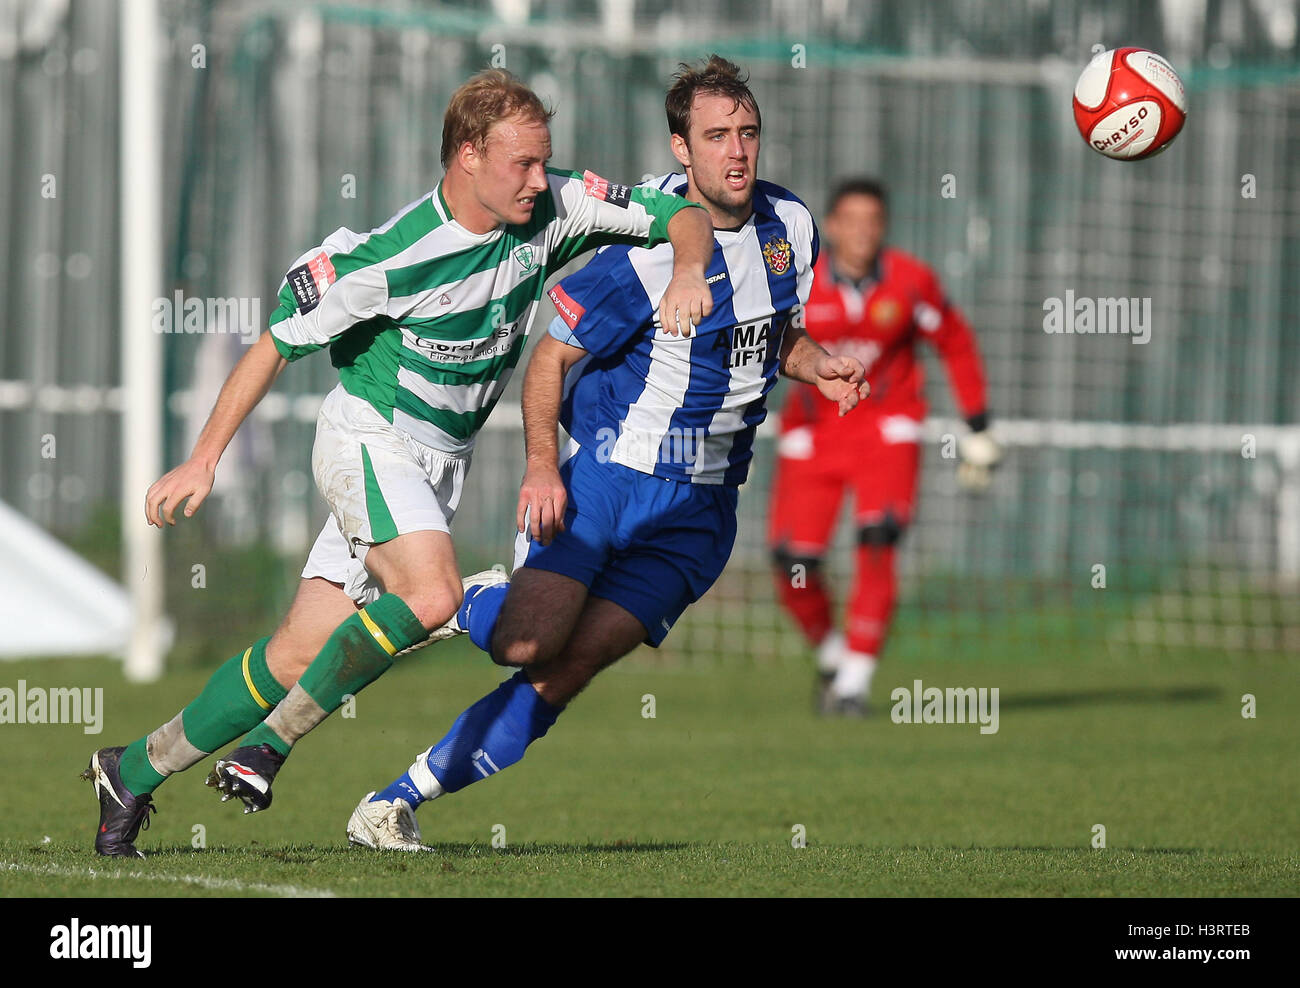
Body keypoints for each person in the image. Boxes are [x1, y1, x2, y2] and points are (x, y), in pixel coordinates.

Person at [83, 68, 715, 858]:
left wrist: (689, 268)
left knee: (296, 653)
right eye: (519, 163)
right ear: (466, 155)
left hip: (439, 465)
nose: (536, 178)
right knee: (432, 593)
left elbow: (680, 210)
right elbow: (276, 345)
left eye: (541, 160)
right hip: (370, 440)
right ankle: (268, 750)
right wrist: (202, 461)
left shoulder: (554, 205)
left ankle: (131, 771)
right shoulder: (390, 258)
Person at [342, 55, 869, 852]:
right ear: (680, 148)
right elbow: (550, 361)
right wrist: (544, 467)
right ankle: (467, 598)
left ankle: (395, 801)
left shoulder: (790, 224)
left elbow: (772, 333)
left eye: (749, 133)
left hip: (702, 512)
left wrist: (817, 362)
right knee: (525, 643)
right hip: (612, 482)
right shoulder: (641, 252)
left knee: (567, 668)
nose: (737, 152)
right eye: (716, 136)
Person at [768, 178, 1000, 716]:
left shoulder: (910, 284)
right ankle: (833, 656)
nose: (862, 232)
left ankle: (854, 684)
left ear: (884, 227)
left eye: (873, 221)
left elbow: (956, 341)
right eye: (851, 220)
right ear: (831, 225)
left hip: (885, 431)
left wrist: (978, 424)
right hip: (814, 435)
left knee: (878, 542)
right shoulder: (799, 284)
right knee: (791, 563)